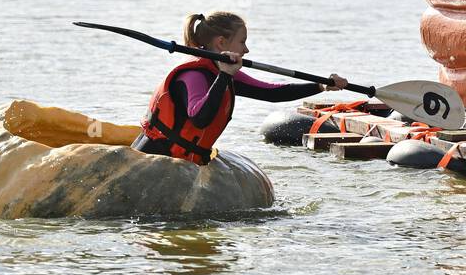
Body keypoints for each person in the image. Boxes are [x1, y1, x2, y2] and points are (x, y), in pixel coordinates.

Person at [132, 11, 348, 165]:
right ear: (221, 43)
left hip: (176, 162)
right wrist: (226, 75)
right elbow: (200, 117)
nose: (246, 49)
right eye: (242, 42)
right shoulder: (194, 75)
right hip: (152, 160)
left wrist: (321, 85)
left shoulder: (222, 72)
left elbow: (272, 92)